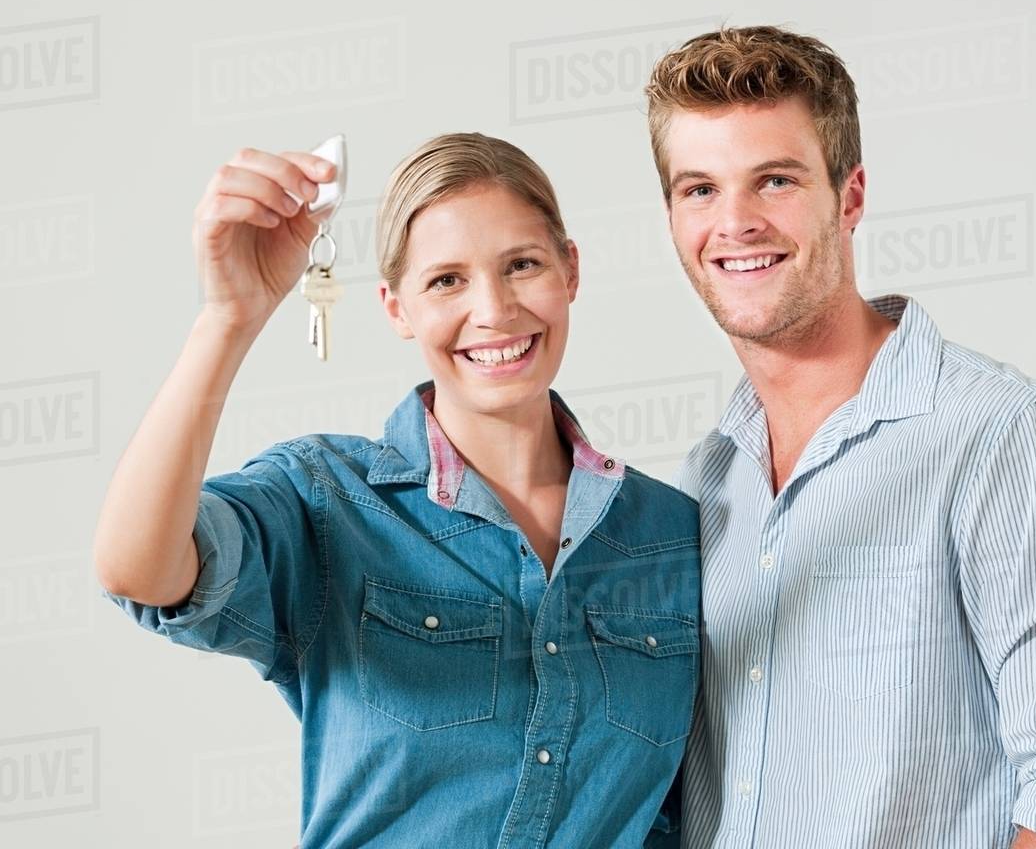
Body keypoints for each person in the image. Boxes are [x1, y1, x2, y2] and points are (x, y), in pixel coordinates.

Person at [642, 26, 1036, 848]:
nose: (736, 221)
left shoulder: (1005, 441)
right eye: (700, 189)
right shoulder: (707, 483)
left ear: (850, 196)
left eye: (775, 180)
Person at [92, 133, 700, 847]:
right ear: (395, 307)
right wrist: (229, 318)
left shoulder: (671, 534)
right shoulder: (327, 500)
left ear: (570, 270)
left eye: (522, 265)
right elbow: (138, 568)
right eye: (446, 280)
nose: (495, 310)